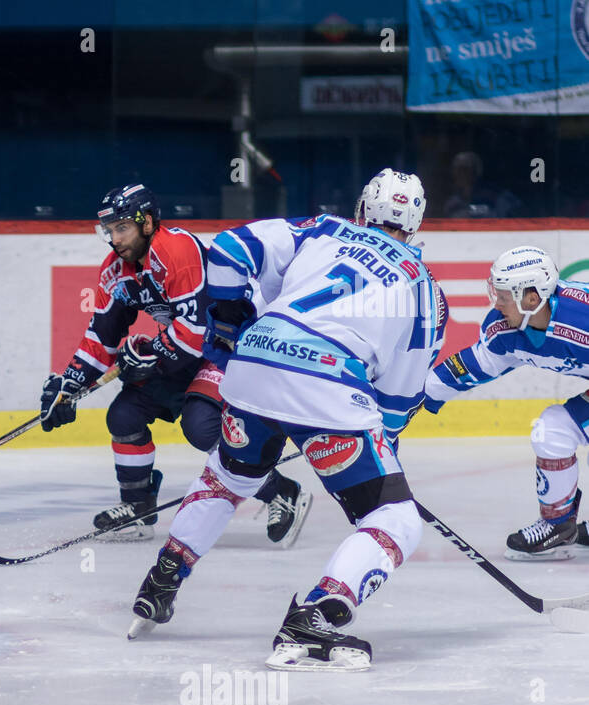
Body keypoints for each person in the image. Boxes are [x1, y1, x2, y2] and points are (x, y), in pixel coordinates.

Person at [127, 168, 447, 672]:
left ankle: (164, 577)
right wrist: (383, 453)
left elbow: (230, 249)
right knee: (395, 517)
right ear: (416, 223)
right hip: (329, 386)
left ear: (363, 206)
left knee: (227, 475)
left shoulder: (325, 229)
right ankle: (315, 616)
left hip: (252, 366)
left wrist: (229, 319)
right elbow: (398, 401)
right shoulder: (424, 289)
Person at [39, 183, 310, 545]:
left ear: (147, 222)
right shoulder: (116, 271)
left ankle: (281, 491)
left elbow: (199, 329)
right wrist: (70, 384)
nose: (114, 238)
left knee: (203, 426)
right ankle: (137, 509)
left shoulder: (176, 250)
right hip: (183, 351)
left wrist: (150, 355)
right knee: (124, 414)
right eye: (110, 229)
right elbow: (101, 334)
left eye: (122, 227)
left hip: (229, 346)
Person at [425, 246, 589, 560]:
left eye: (503, 296)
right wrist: (404, 403)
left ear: (531, 298)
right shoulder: (505, 329)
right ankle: (558, 524)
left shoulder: (582, 318)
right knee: (552, 430)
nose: (496, 304)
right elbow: (471, 366)